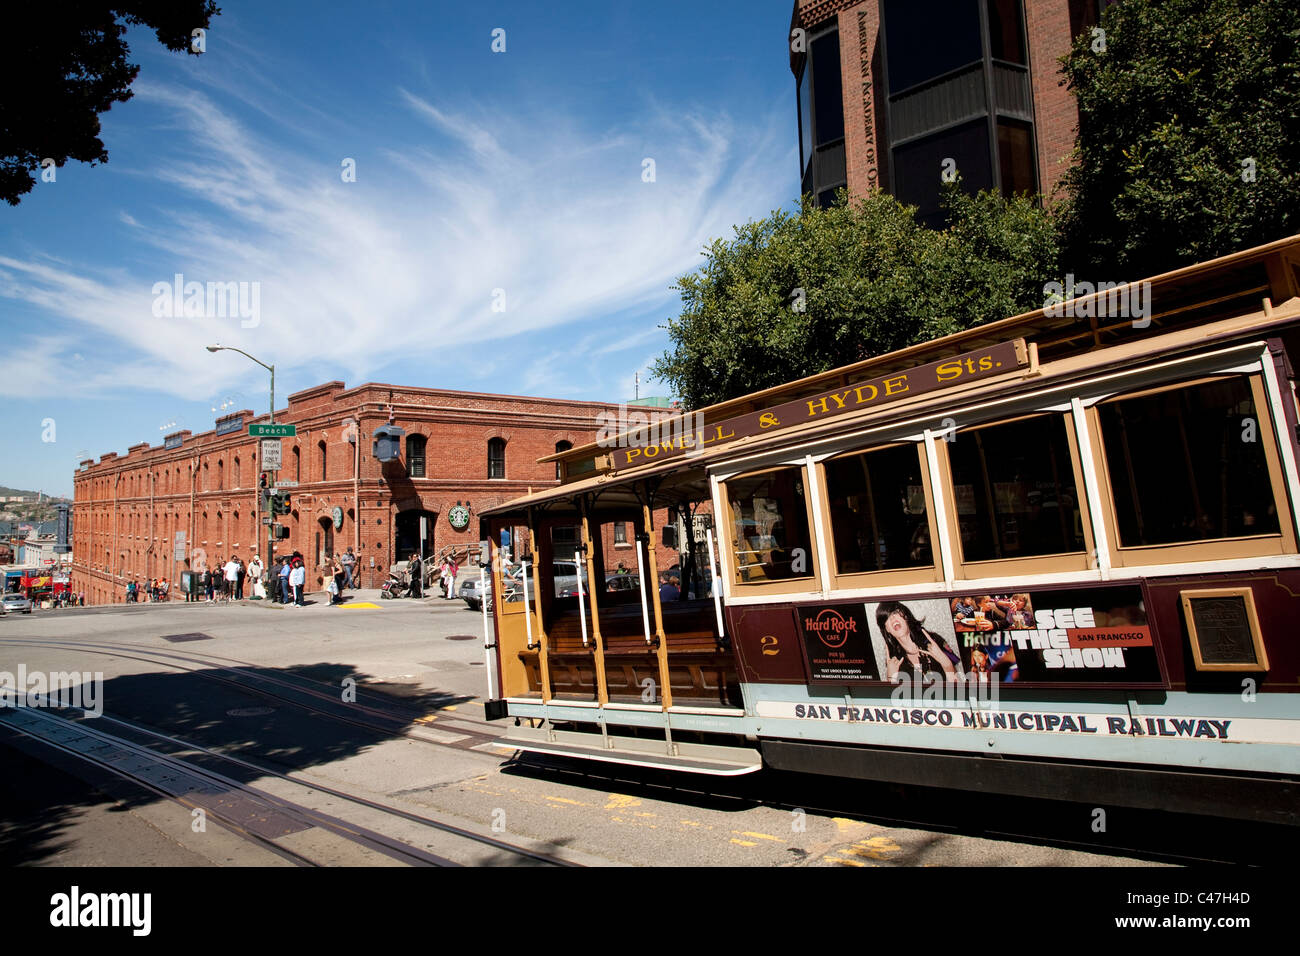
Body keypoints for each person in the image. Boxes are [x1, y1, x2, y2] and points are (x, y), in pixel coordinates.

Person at [876, 601, 960, 682]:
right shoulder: (893, 660)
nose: (892, 618)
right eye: (886, 618)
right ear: (887, 629)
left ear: (905, 616)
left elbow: (959, 689)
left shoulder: (933, 641)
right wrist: (891, 678)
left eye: (894, 613)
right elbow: (895, 694)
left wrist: (947, 664)